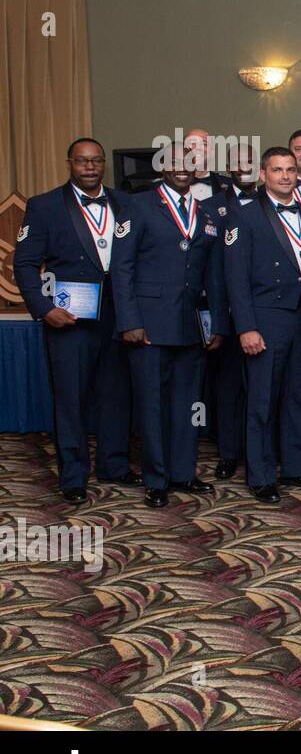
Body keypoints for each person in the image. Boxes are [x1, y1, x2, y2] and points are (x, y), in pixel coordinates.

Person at [14, 138, 139, 503]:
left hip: (119, 317)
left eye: (96, 161)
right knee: (70, 398)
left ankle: (114, 464)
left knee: (117, 395)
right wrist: (42, 307)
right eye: (83, 161)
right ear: (70, 163)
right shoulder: (44, 206)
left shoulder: (125, 203)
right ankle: (73, 474)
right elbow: (23, 263)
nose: (90, 167)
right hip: (68, 318)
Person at [110, 144, 227, 507]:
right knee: (152, 405)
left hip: (191, 326)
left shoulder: (206, 213)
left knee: (187, 404)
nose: (182, 169)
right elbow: (122, 267)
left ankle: (182, 473)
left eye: (189, 163)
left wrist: (216, 324)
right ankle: (156, 479)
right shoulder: (138, 205)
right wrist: (129, 321)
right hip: (148, 326)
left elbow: (214, 275)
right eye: (175, 162)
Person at [225, 146, 301, 504]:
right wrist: (246, 327)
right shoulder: (245, 216)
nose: (285, 176)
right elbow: (234, 278)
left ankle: (297, 467)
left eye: (290, 169)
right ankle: (262, 475)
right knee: (262, 400)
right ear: (263, 175)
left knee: (300, 397)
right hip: (265, 319)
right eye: (277, 170)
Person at [206, 145, 261, 479]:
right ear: (228, 167)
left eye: (250, 161)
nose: (245, 167)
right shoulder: (211, 207)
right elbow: (209, 268)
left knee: (263, 388)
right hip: (226, 309)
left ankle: (264, 453)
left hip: (266, 311)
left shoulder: (272, 203)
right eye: (238, 162)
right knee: (229, 388)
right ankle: (228, 453)